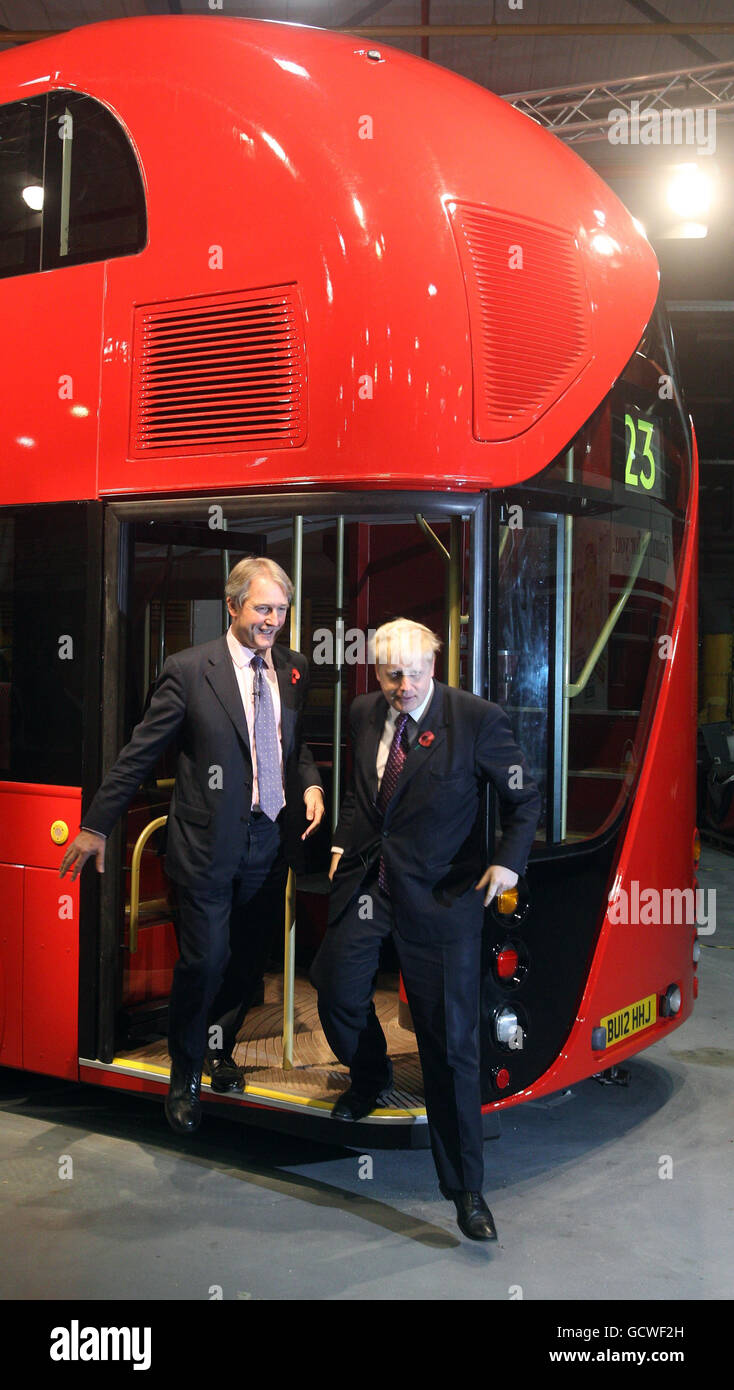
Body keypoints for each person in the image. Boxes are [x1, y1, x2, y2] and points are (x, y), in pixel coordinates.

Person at [60, 557, 324, 1134]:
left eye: (280, 610)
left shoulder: (294, 668)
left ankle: (218, 1048)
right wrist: (98, 824)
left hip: (268, 839)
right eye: (262, 609)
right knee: (204, 960)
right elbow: (137, 754)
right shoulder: (186, 670)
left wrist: (311, 784)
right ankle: (184, 1075)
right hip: (205, 846)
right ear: (232, 607)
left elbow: (292, 743)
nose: (272, 622)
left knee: (246, 966)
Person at [311, 618, 540, 1242]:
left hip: (442, 897)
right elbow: (359, 793)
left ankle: (466, 1191)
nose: (403, 685)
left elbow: (524, 798)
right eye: (391, 674)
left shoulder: (476, 718)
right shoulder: (363, 712)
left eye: (414, 672)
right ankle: (371, 1074)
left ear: (433, 664)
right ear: (375, 671)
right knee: (334, 987)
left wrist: (508, 860)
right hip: (368, 884)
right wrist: (341, 842)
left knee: (450, 1047)